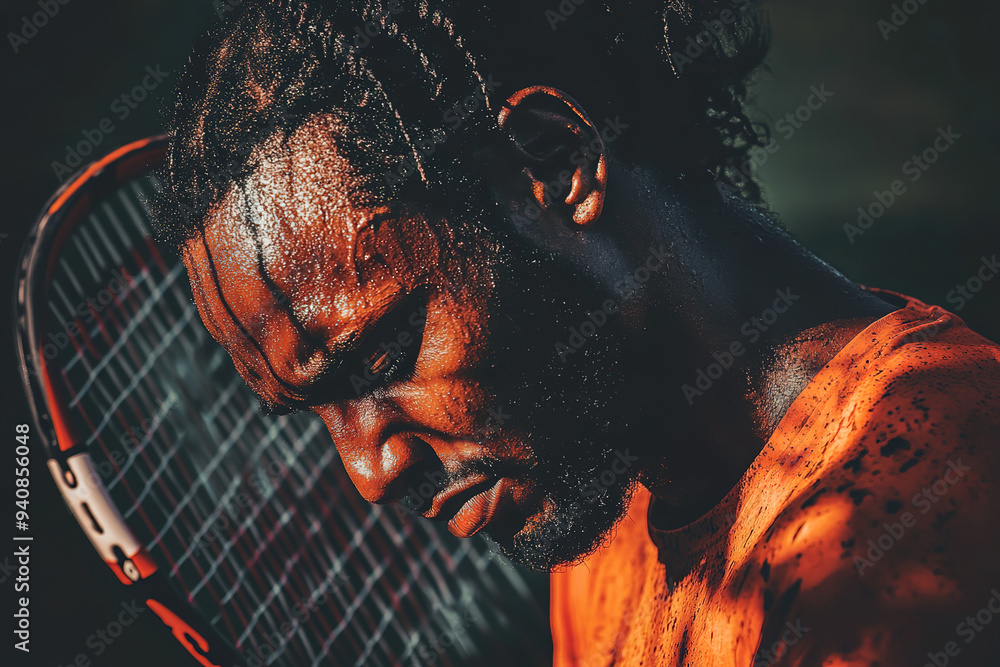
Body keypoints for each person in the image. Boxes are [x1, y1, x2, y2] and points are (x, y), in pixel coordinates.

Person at [156, 1, 1000, 664]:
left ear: (555, 163)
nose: (369, 472)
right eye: (315, 412)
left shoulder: (915, 518)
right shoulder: (611, 463)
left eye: (381, 358)